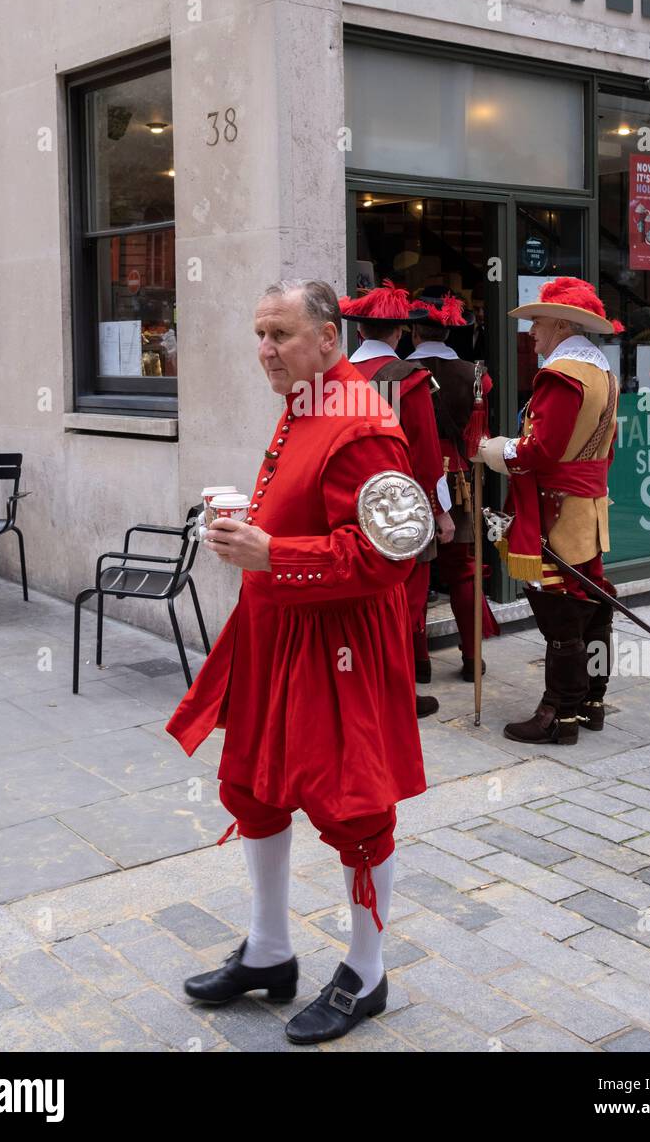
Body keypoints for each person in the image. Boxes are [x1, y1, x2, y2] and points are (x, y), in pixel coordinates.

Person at [166, 279, 431, 1044]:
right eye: (259, 334)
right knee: (252, 786)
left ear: (327, 338)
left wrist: (274, 552)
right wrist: (260, 539)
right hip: (277, 632)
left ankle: (368, 970)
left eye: (280, 334)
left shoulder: (365, 425)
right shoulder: (311, 404)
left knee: (352, 806)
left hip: (337, 641)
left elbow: (387, 556)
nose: (265, 350)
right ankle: (270, 952)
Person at [475, 277, 622, 744]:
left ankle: (559, 714)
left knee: (561, 611)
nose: (531, 333)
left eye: (537, 323)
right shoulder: (601, 372)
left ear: (561, 324)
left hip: (557, 511)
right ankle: (591, 701)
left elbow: (540, 450)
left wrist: (493, 449)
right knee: (592, 602)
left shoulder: (563, 376)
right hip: (586, 508)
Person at [340, 280, 456, 718]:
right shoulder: (410, 379)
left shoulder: (335, 378)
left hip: (346, 504)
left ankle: (356, 688)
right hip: (401, 506)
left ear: (357, 333)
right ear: (399, 333)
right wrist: (441, 512)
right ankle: (397, 695)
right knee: (403, 602)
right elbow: (427, 458)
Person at [406, 291, 499, 680]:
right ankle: (471, 658)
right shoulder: (473, 375)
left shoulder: (398, 373)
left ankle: (420, 663)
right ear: (448, 333)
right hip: (459, 478)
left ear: (412, 332)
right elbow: (481, 436)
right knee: (462, 571)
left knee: (415, 572)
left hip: (409, 477)